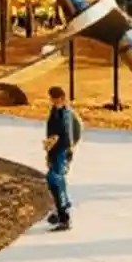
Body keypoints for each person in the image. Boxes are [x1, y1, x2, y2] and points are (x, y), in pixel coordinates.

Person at [43, 86, 76, 232]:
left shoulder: (65, 113)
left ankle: (64, 216)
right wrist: (49, 149)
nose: (53, 101)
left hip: (61, 152)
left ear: (62, 98)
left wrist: (67, 150)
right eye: (51, 98)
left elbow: (67, 135)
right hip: (55, 151)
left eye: (55, 98)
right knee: (54, 181)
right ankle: (60, 209)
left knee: (55, 180)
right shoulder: (55, 111)